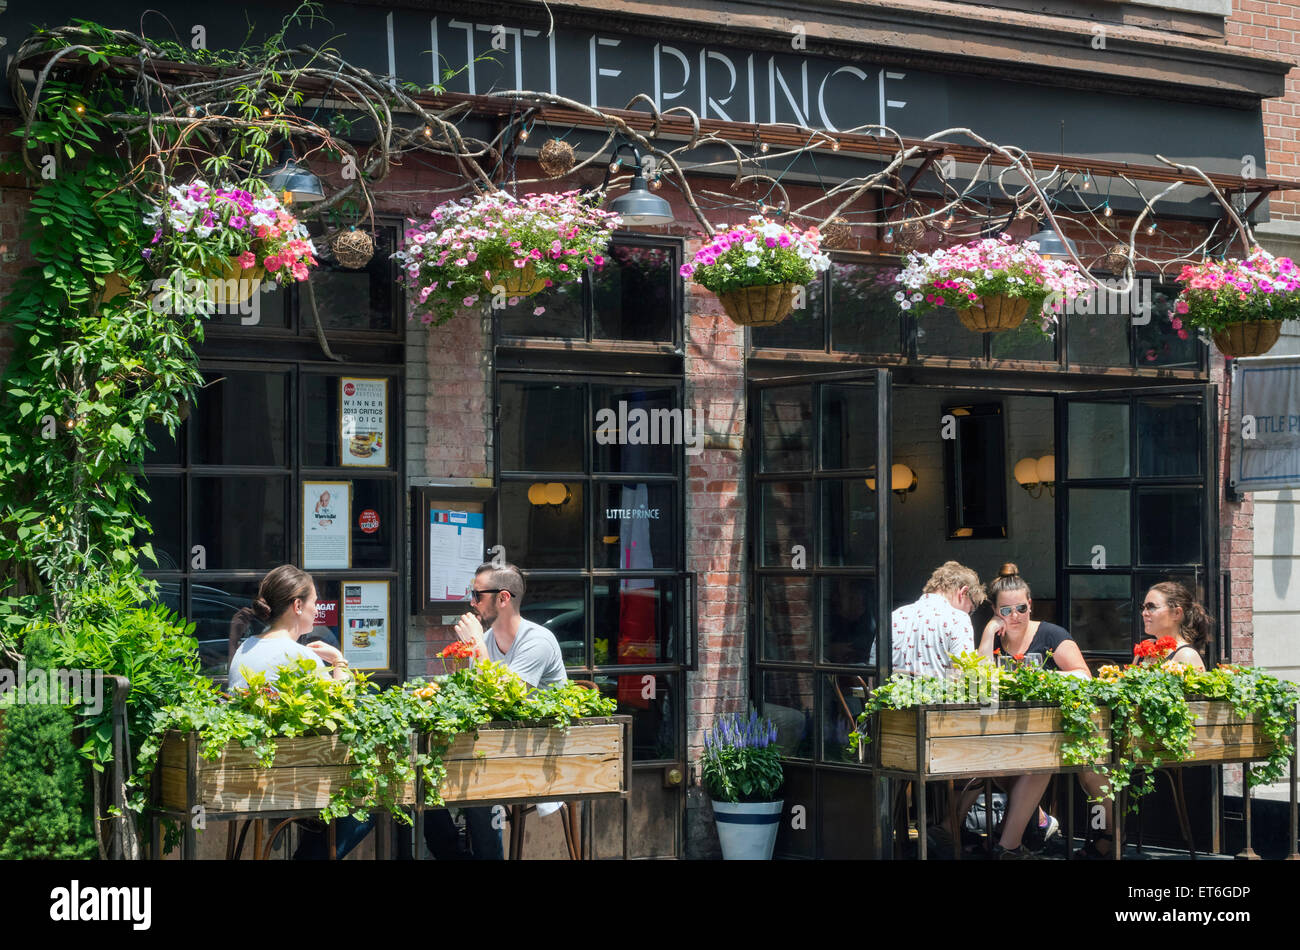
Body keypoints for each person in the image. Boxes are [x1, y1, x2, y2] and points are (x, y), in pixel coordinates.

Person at [422, 562, 567, 860]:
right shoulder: (488, 641)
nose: (471, 602)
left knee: (477, 788)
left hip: (539, 753)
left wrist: (476, 647)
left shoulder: (536, 641)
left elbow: (505, 699)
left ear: (503, 598)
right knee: (422, 782)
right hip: (496, 749)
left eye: (477, 595)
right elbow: (477, 701)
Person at [228, 564, 368, 861]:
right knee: (372, 805)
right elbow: (344, 711)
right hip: (292, 781)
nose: (317, 610)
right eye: (315, 602)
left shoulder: (244, 650)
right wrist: (339, 662)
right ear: (297, 605)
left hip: (246, 777)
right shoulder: (300, 656)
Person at [975, 563, 1114, 859]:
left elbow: (1082, 675)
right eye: (1006, 610)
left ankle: (1008, 843)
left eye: (1021, 609)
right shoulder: (995, 641)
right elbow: (979, 682)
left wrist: (1040, 678)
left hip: (1055, 734)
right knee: (987, 761)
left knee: (1042, 761)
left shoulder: (1050, 635)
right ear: (995, 611)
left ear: (1030, 606)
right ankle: (1029, 827)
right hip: (1009, 734)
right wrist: (987, 636)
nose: (1015, 616)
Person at [891, 561, 984, 679]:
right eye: (971, 609)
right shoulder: (959, 619)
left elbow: (874, 672)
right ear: (963, 592)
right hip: (937, 697)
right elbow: (961, 678)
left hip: (890, 696)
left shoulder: (895, 616)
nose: (969, 614)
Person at [1141, 581, 1210, 671]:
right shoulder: (1146, 650)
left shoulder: (1187, 655)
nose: (1144, 613)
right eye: (1143, 608)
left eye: (1151, 607)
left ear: (1176, 613)